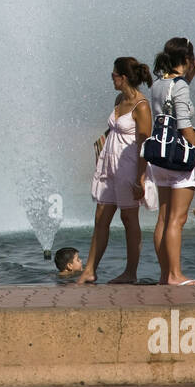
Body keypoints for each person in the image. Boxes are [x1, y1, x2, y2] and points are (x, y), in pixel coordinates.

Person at [77, 57, 156, 284]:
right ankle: (90, 270)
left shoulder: (141, 106)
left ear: (123, 77)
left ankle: (130, 272)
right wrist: (102, 139)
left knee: (129, 218)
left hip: (129, 166)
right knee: (101, 216)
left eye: (114, 75)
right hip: (108, 164)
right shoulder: (119, 98)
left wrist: (140, 178)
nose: (111, 78)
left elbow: (144, 142)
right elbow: (115, 130)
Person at [149, 37, 195, 285]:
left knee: (163, 218)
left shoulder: (158, 84)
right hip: (180, 157)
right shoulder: (181, 86)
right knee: (177, 220)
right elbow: (183, 122)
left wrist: (187, 77)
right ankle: (175, 275)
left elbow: (167, 113)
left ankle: (164, 274)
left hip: (160, 157)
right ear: (187, 59)